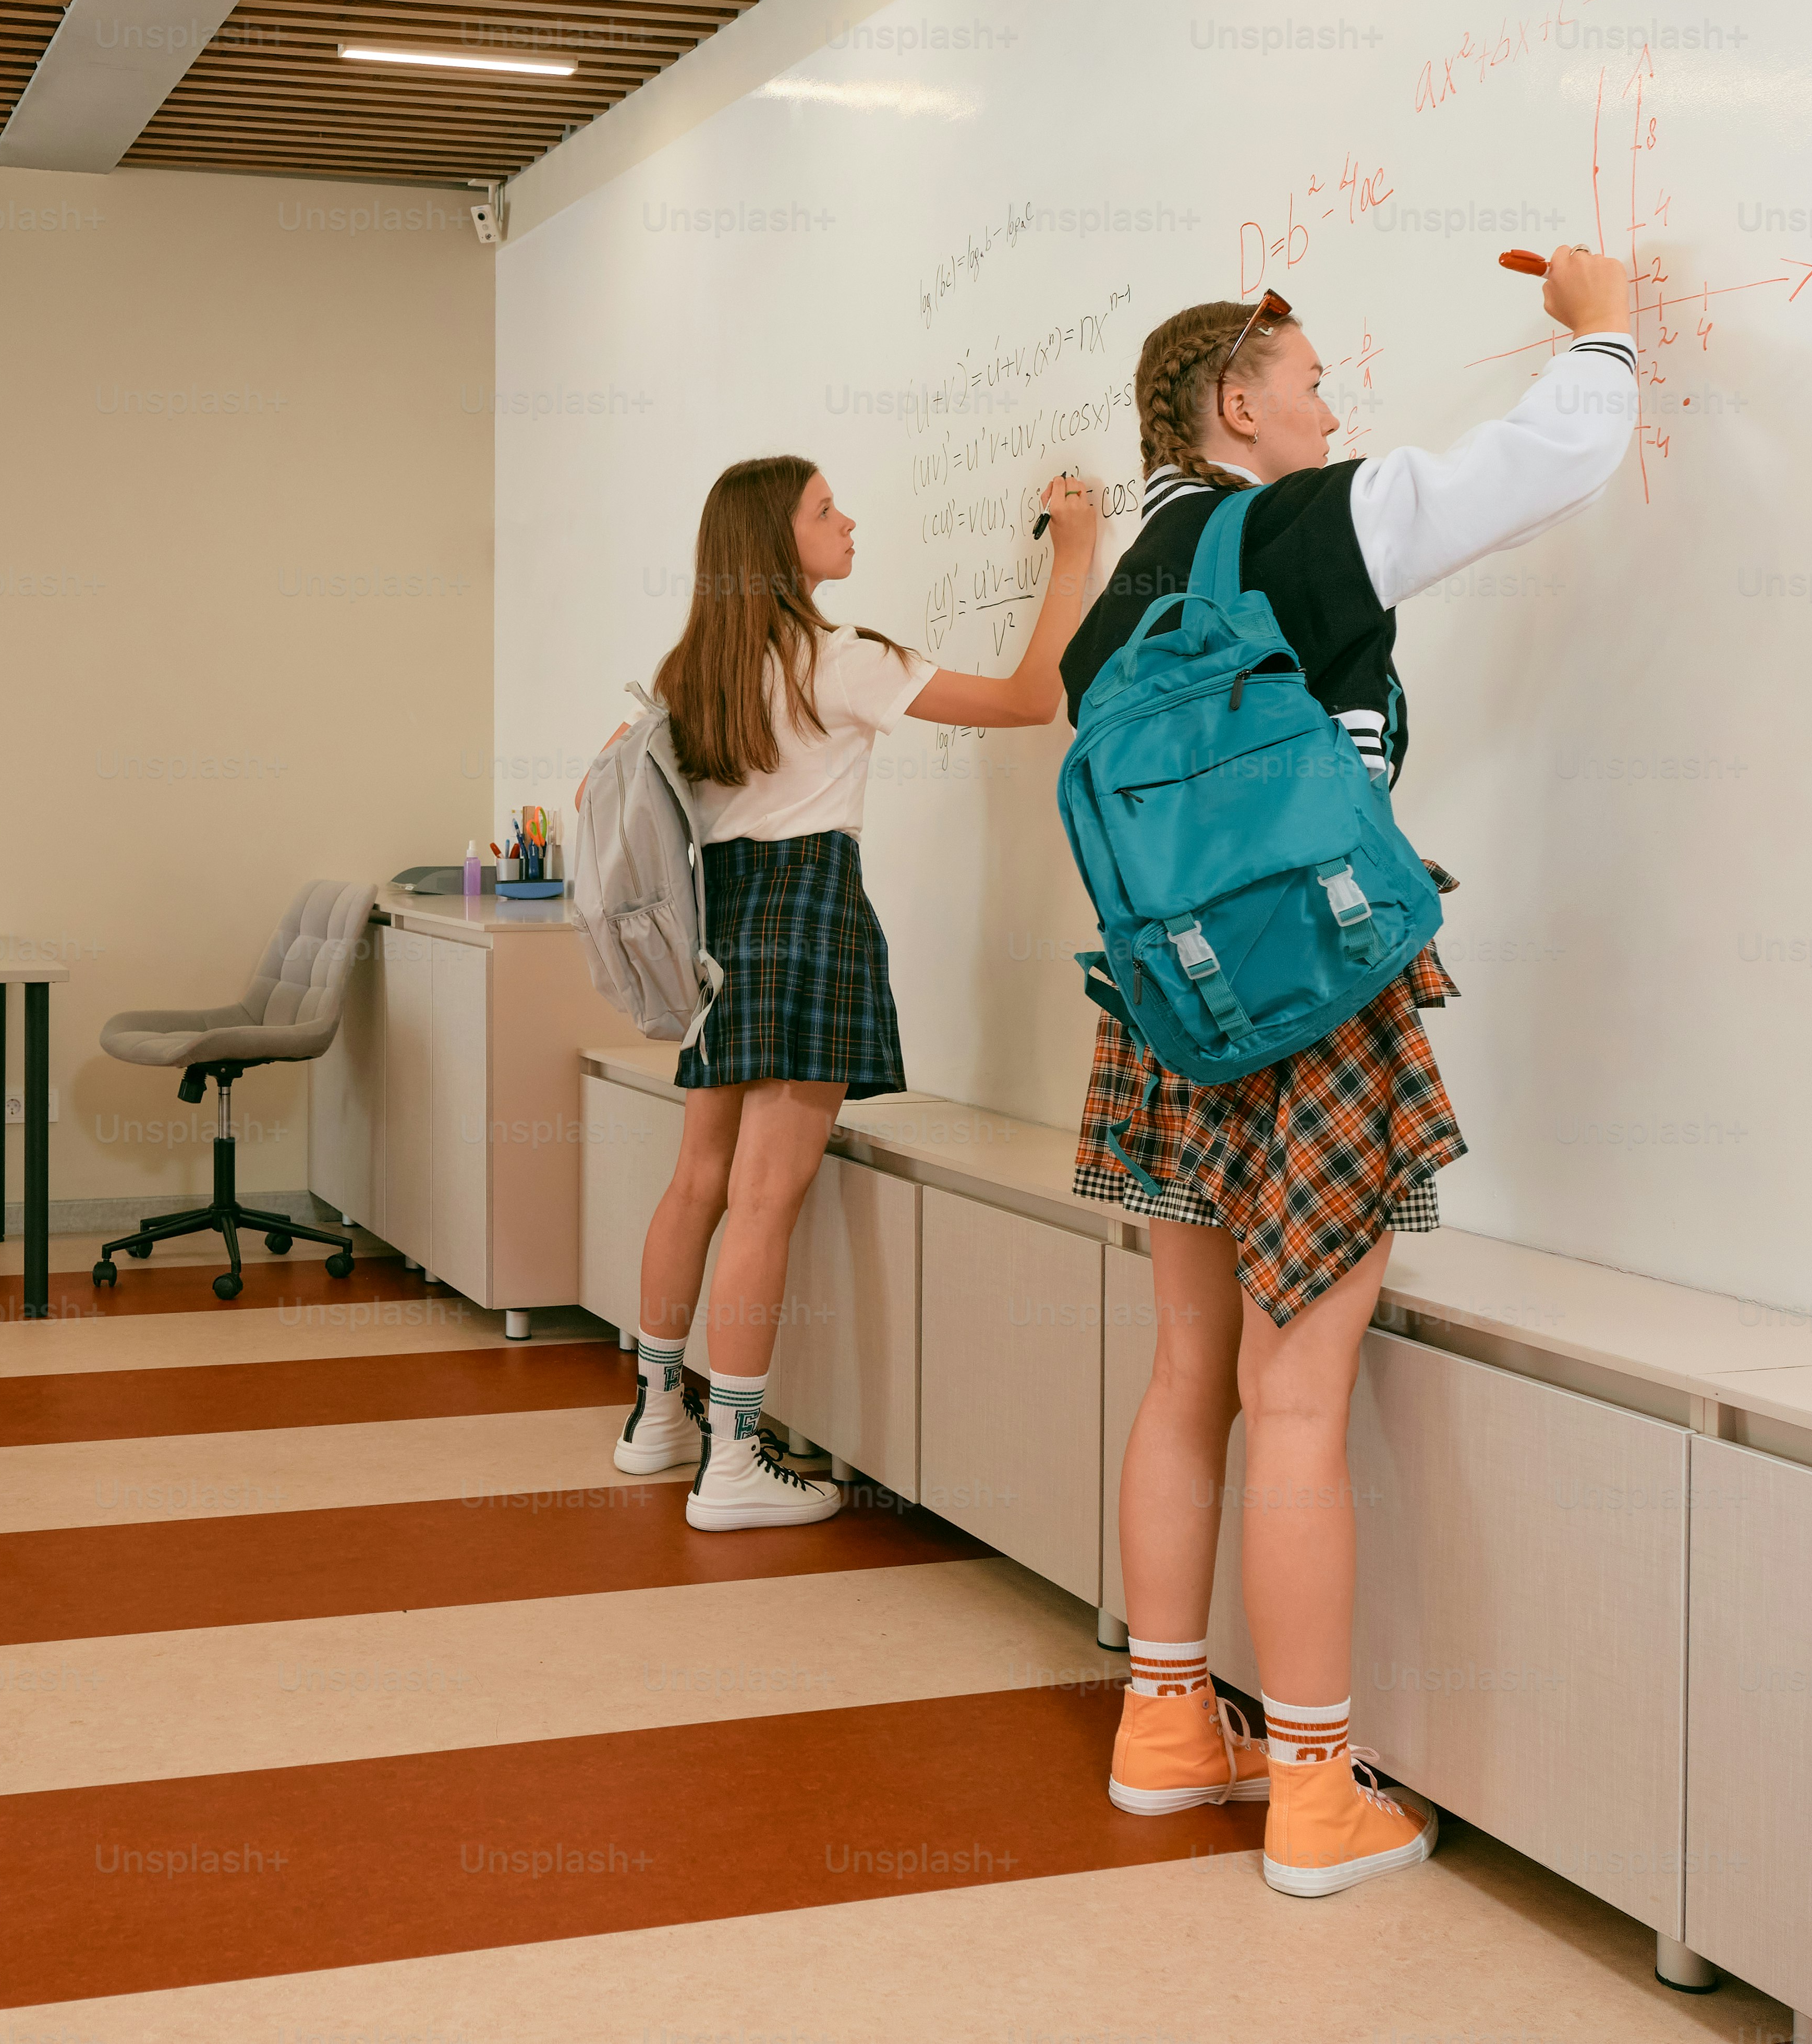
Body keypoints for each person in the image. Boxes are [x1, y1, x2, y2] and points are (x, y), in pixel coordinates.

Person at [1069, 250, 1637, 1897]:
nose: (1333, 407)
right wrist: (1598, 321)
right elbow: (1545, 461)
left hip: (1162, 1015)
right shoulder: (1298, 526)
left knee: (1189, 1374)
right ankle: (1317, 1791)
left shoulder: (1121, 595)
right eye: (1312, 380)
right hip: (1317, 1009)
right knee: (1297, 1396)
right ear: (1238, 403)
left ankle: (1169, 1723)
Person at [617, 456, 1101, 1530]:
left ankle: (657, 1416)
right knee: (760, 1198)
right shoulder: (839, 660)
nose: (848, 522)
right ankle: (733, 1463)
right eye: (824, 510)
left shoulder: (688, 674)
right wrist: (1070, 560)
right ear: (773, 543)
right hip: (808, 920)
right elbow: (1030, 701)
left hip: (723, 932)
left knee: (695, 1180)